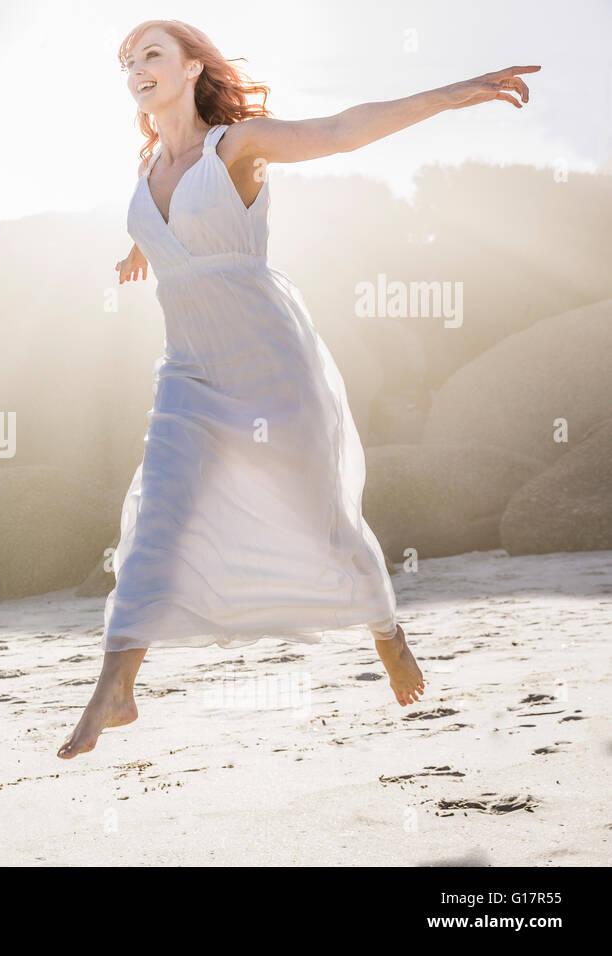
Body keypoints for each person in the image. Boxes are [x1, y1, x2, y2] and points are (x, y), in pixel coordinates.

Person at [58, 18, 538, 760]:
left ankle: (388, 635)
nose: (136, 67)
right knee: (157, 514)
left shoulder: (235, 147)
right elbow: (161, 217)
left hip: (270, 367)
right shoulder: (147, 171)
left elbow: (343, 129)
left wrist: (455, 93)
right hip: (186, 373)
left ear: (191, 70)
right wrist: (136, 250)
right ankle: (115, 688)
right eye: (127, 60)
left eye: (152, 53)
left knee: (324, 520)